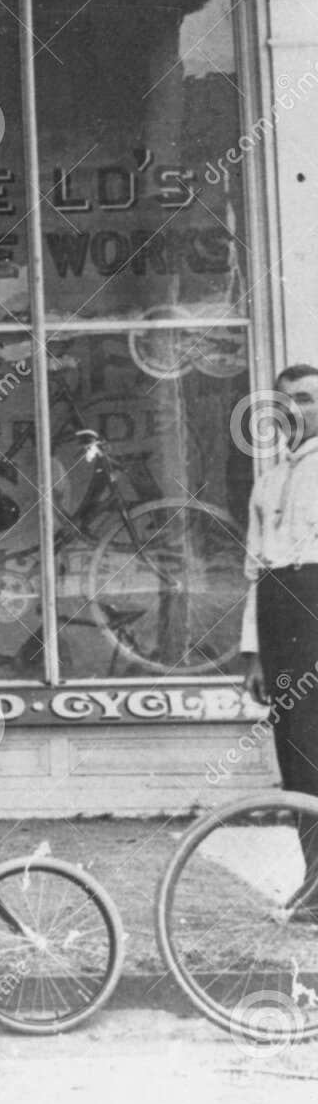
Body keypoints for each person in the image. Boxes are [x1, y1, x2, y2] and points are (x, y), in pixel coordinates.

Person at [239, 364, 318, 915]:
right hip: (279, 620)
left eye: (309, 399)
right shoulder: (267, 482)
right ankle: (315, 877)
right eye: (288, 402)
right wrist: (254, 656)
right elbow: (255, 572)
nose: (299, 410)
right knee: (298, 757)